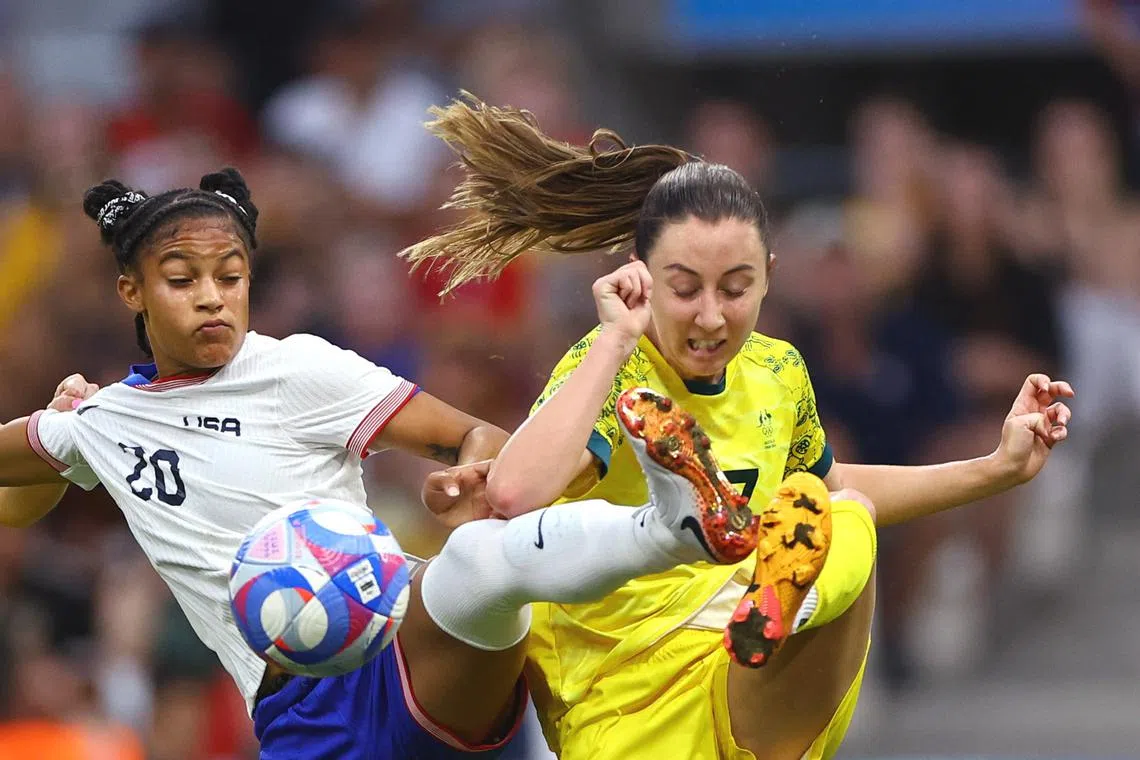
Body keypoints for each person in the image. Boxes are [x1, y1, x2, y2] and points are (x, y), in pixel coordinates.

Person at [0, 167, 781, 759]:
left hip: (400, 644)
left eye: (231, 277)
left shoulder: (299, 369)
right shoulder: (105, 420)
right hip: (296, 716)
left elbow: (478, 439)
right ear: (131, 290)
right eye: (181, 281)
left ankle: (673, 527)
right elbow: (13, 496)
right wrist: (63, 437)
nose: (212, 297)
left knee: (478, 558)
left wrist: (472, 475)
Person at [400, 95, 1075, 760]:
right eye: (684, 288)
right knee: (838, 513)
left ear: (769, 278)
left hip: (746, 673)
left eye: (735, 288)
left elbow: (835, 488)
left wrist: (995, 468)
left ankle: (779, 605)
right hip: (630, 709)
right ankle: (755, 580)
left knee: (845, 514)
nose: (711, 316)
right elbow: (514, 494)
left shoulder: (779, 370)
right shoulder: (608, 368)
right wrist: (613, 339)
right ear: (639, 276)